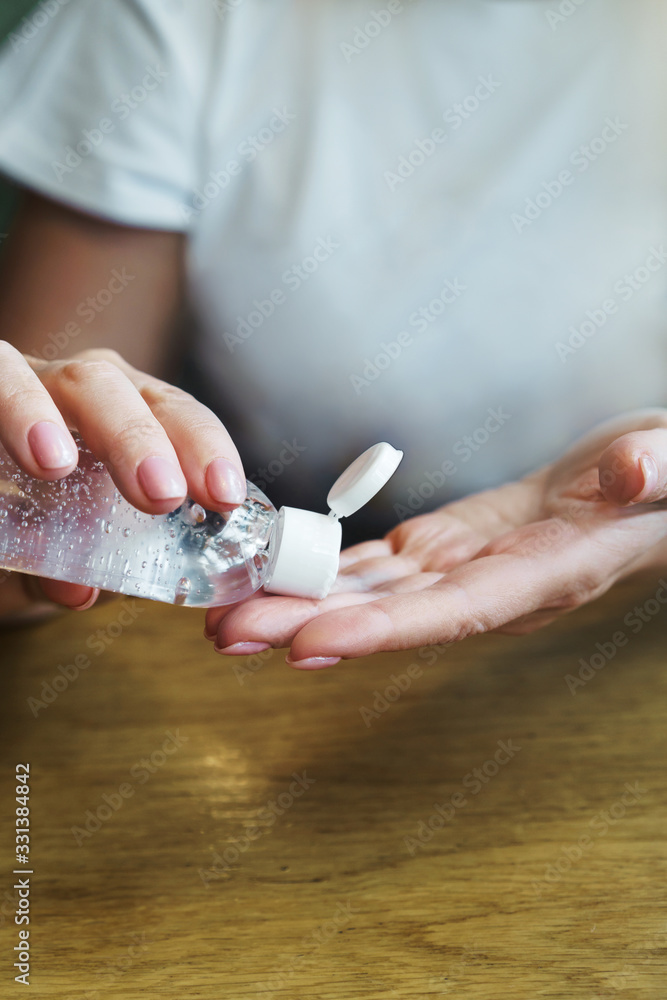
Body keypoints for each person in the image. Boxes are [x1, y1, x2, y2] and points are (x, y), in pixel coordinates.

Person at [0, 0, 666, 668]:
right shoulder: (166, 18)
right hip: (252, 629)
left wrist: (647, 511)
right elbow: (32, 525)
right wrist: (38, 545)